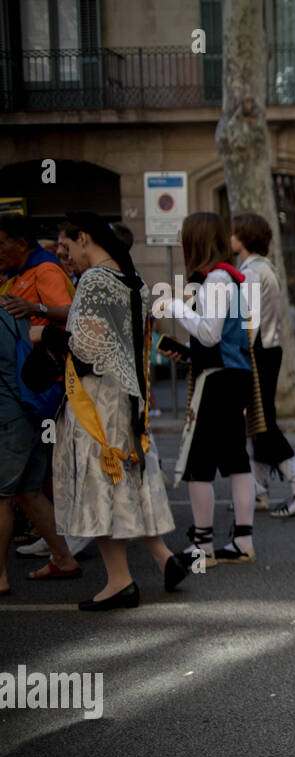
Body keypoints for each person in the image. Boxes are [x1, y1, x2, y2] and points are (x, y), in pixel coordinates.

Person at [29, 213, 189, 609]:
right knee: (124, 478)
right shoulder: (133, 280)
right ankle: (165, 559)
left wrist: (43, 333)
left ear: (84, 238)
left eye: (67, 247)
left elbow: (86, 346)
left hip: (96, 401)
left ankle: (120, 582)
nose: (66, 258)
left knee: (99, 482)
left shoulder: (96, 281)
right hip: (125, 396)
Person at [157, 212, 261, 565]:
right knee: (235, 459)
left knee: (198, 462)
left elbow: (209, 333)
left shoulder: (216, 278)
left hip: (219, 380)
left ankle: (203, 546)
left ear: (196, 241)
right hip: (232, 376)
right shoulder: (226, 278)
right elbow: (219, 335)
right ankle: (242, 541)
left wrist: (173, 306)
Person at [230, 213, 295, 518]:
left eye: (234, 232)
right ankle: (259, 492)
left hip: (258, 351)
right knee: (257, 421)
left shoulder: (252, 271)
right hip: (269, 349)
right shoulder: (265, 268)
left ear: (243, 238)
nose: (231, 237)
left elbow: (247, 320)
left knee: (262, 423)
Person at [0, 301, 80, 595]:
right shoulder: (14, 310)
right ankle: (63, 557)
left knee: (2, 498)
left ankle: (0, 578)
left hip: (7, 418)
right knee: (29, 493)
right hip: (31, 411)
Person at [0, 214, 74, 331]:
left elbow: (69, 312)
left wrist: (35, 308)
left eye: (0, 245)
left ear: (21, 245)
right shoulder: (15, 274)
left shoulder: (45, 270)